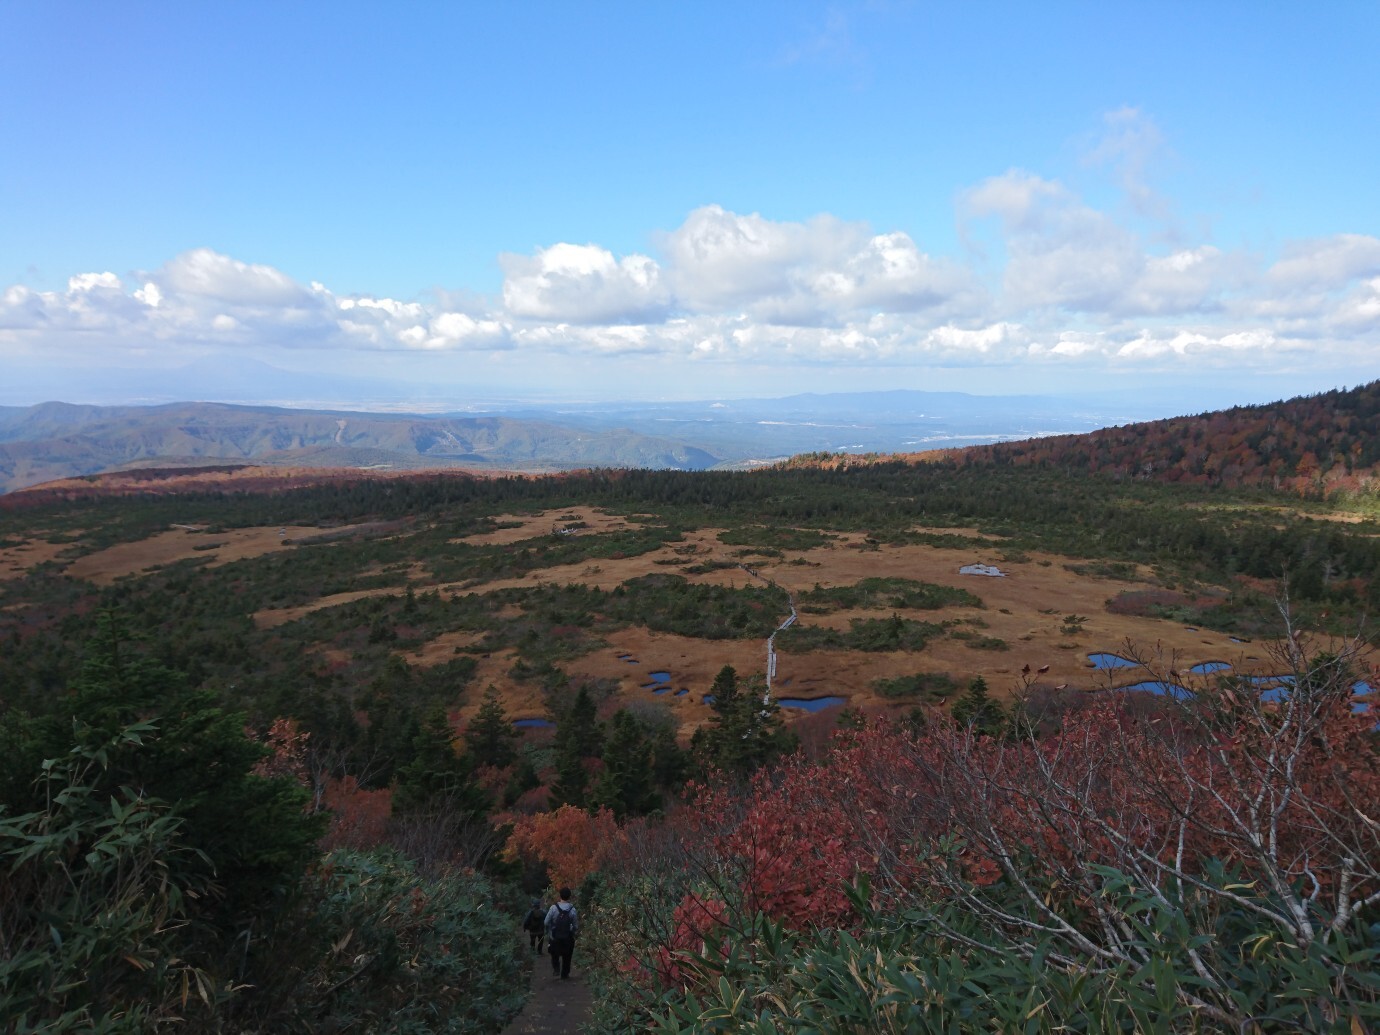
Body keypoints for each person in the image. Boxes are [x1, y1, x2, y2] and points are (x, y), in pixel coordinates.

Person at [544, 886, 579, 979]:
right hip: (568, 936)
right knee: (567, 956)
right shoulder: (572, 909)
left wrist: (550, 930)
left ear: (560, 895)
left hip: (554, 937)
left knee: (554, 953)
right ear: (569, 896)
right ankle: (565, 974)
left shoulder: (553, 908)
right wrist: (573, 931)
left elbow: (546, 922)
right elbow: (575, 925)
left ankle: (556, 968)